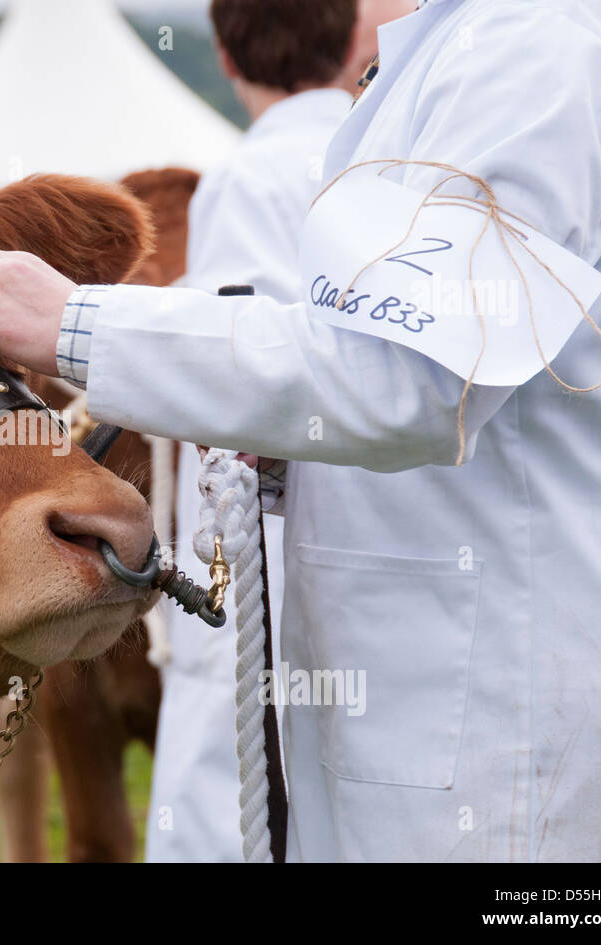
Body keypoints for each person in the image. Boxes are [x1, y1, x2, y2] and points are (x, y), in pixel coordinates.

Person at [0, 0, 601, 861]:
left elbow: (414, 380)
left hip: (506, 750)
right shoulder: (483, 42)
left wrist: (76, 323)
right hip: (460, 716)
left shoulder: (540, 38)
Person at [148, 0, 414, 864]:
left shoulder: (247, 175)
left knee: (231, 805)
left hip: (258, 575)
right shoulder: (390, 163)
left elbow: (238, 381)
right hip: (382, 569)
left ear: (225, 56)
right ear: (350, 46)